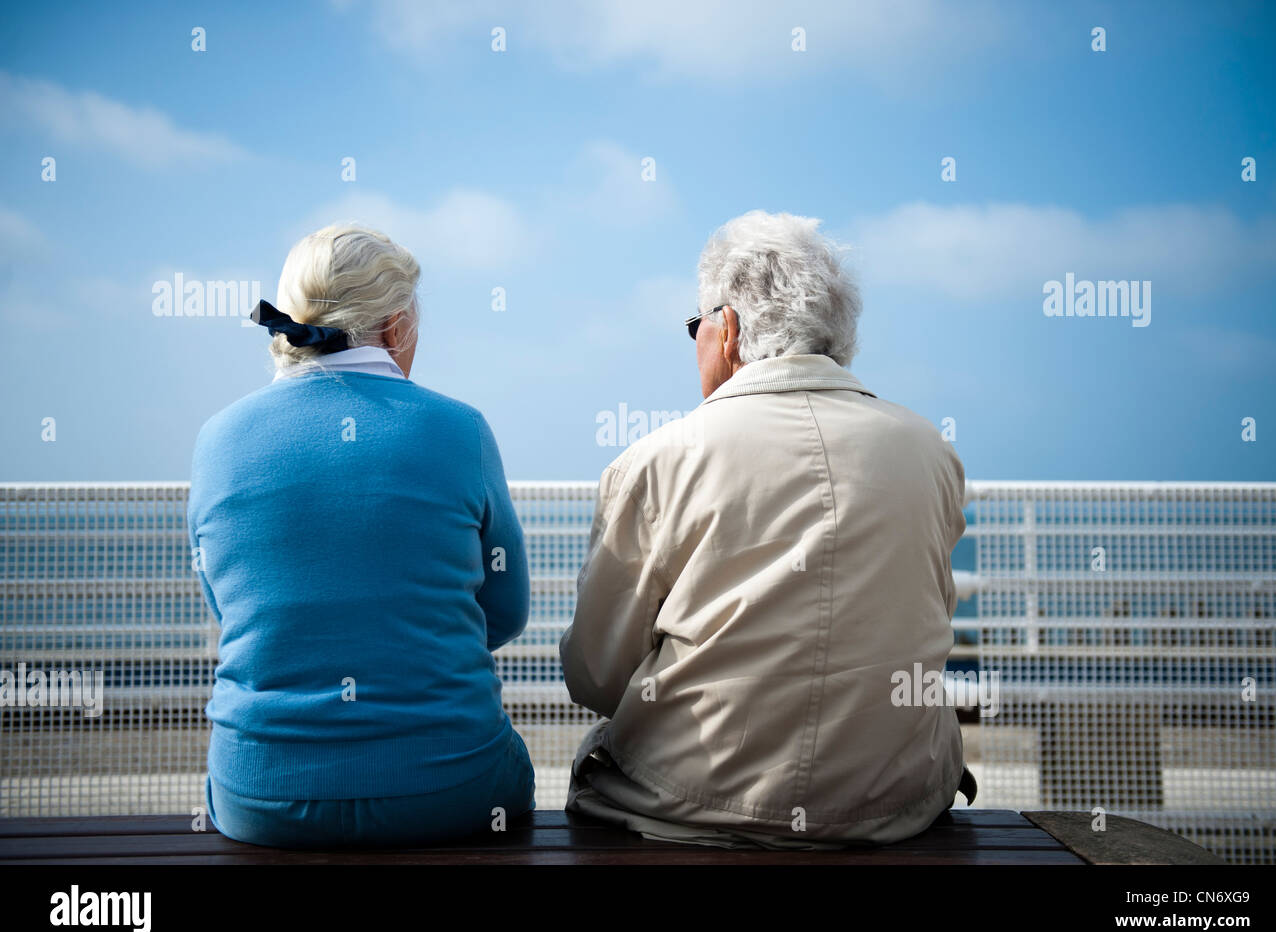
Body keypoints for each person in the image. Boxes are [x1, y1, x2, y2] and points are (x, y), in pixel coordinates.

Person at [560, 210, 973, 848]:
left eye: (695, 326)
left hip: (692, 804)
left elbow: (597, 674)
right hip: (897, 802)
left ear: (726, 331)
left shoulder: (658, 460)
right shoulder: (930, 453)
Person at [188, 223, 534, 848]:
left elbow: (234, 610)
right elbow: (505, 614)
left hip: (260, 797)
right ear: (397, 326)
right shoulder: (461, 430)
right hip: (453, 789)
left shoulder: (219, 438)